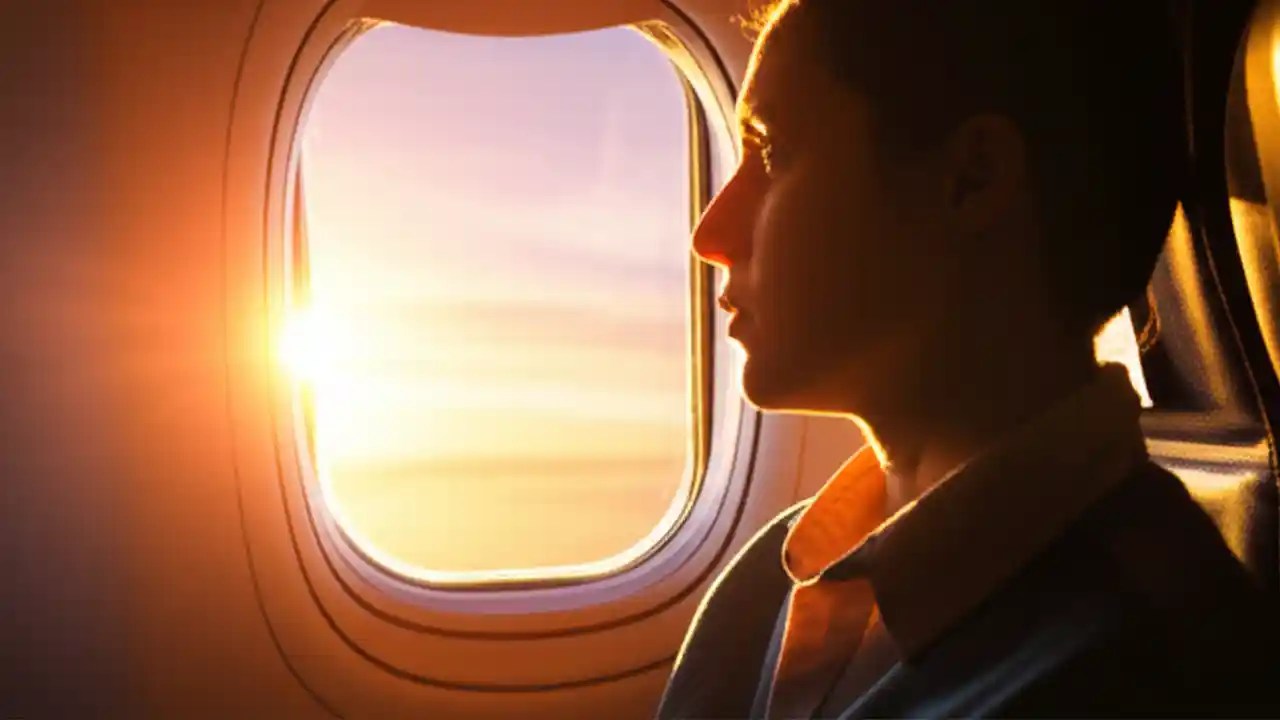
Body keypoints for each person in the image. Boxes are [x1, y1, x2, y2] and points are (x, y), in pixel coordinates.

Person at [655, 0, 1280, 717]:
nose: (710, 233)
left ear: (972, 180)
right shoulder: (766, 579)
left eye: (773, 153)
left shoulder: (1143, 670)